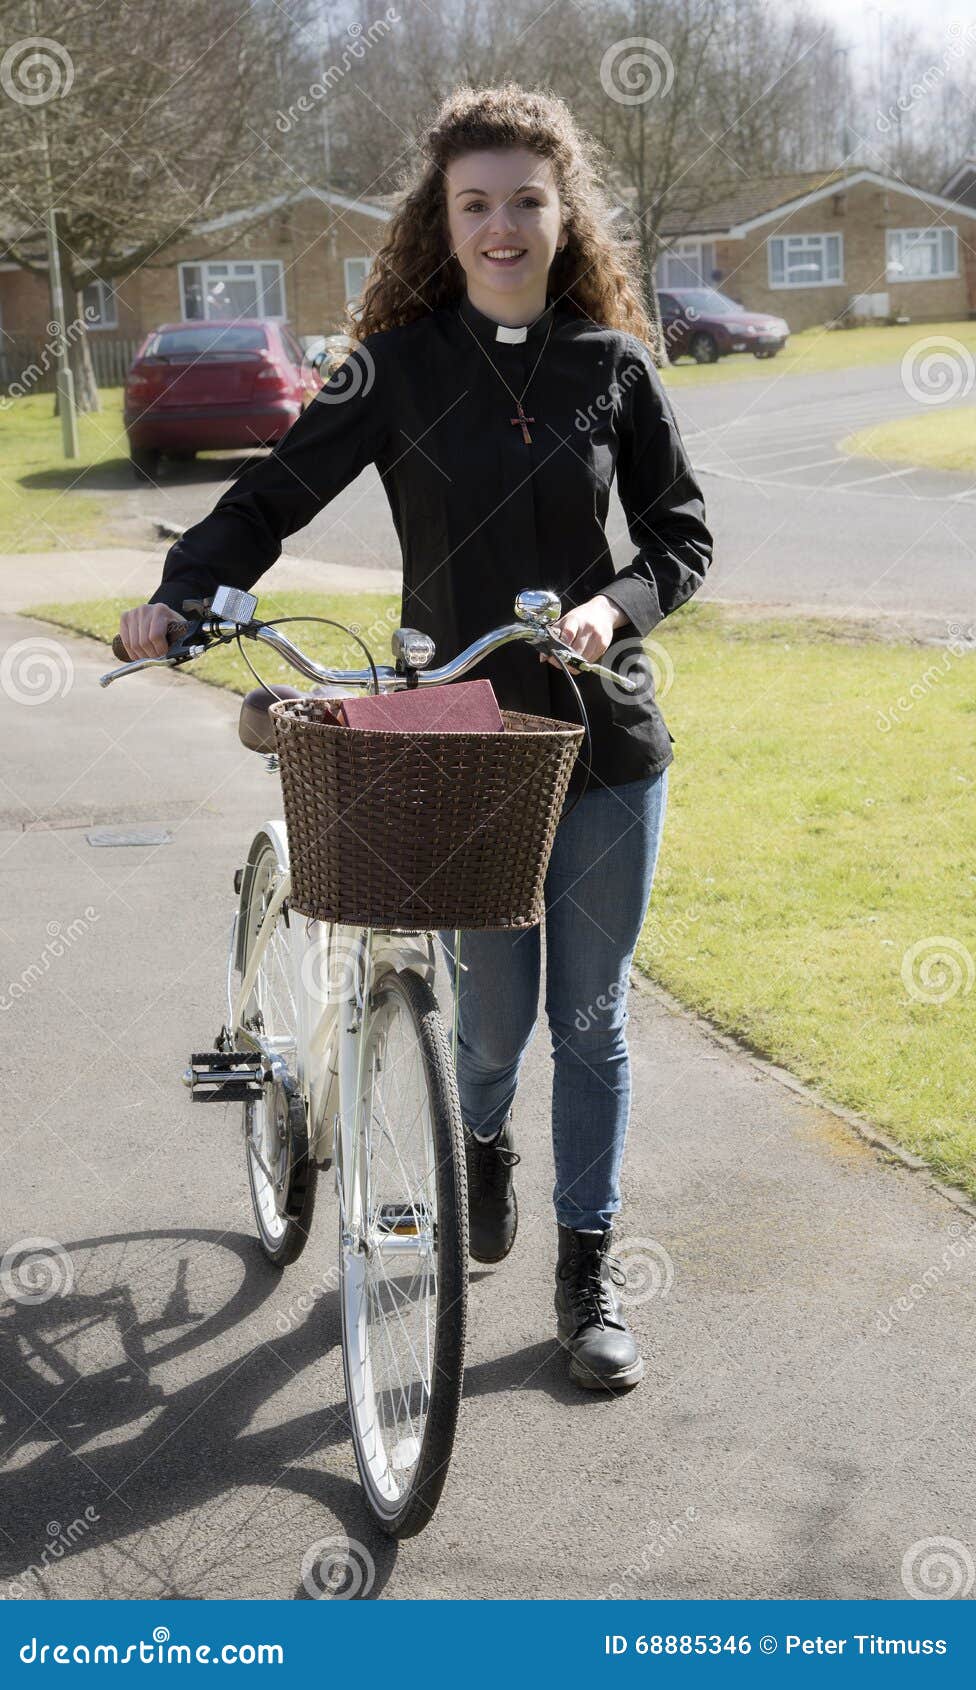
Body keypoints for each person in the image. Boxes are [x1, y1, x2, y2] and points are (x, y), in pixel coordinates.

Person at [120, 83, 713, 1393]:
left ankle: (588, 1273)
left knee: (594, 1021)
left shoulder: (612, 368)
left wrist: (618, 609)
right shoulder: (390, 369)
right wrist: (176, 596)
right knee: (493, 1025)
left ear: (566, 218)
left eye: (526, 203)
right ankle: (481, 1142)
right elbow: (271, 495)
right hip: (461, 742)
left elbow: (682, 538)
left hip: (608, 747)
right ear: (442, 223)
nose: (502, 226)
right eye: (475, 205)